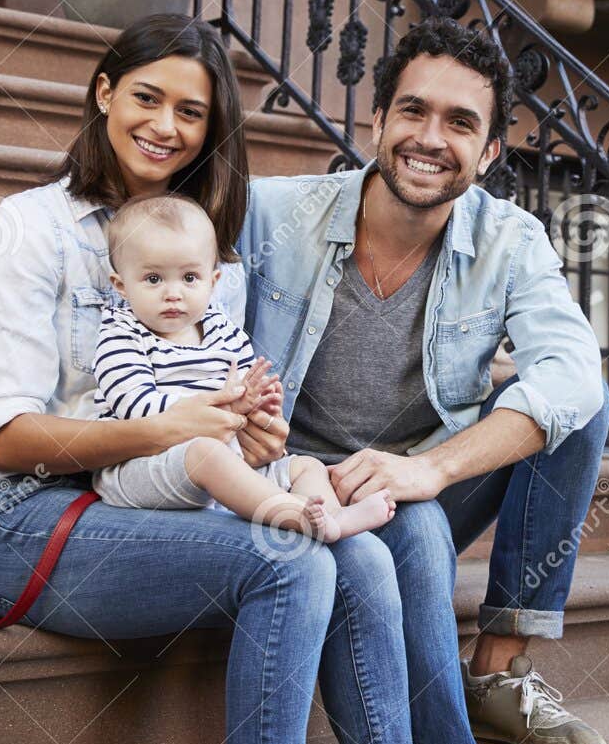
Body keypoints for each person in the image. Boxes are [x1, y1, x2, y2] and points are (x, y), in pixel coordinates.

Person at [0, 14, 426, 744]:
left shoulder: (209, 252)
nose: (166, 125)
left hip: (160, 500)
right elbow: (7, 439)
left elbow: (212, 399)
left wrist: (253, 431)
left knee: (362, 553)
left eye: (191, 112)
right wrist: (176, 430)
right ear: (103, 94)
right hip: (26, 519)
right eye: (147, 98)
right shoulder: (27, 227)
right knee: (291, 562)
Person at [242, 16, 609, 744]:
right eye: (414, 111)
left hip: (414, 482)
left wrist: (432, 468)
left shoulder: (508, 237)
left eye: (461, 124)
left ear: (488, 155)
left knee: (573, 406)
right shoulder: (271, 215)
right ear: (375, 123)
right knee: (405, 536)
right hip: (295, 487)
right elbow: (140, 291)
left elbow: (569, 375)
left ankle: (499, 667)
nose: (430, 139)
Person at [90, 192, 396, 541]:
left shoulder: (223, 330)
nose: (173, 293)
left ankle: (332, 517)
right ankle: (297, 517)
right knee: (206, 453)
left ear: (213, 282)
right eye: (154, 279)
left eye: (189, 278)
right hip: (142, 466)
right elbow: (134, 406)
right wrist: (222, 406)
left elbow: (243, 389)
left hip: (228, 458)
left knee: (306, 466)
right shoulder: (121, 333)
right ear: (121, 285)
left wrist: (258, 402)